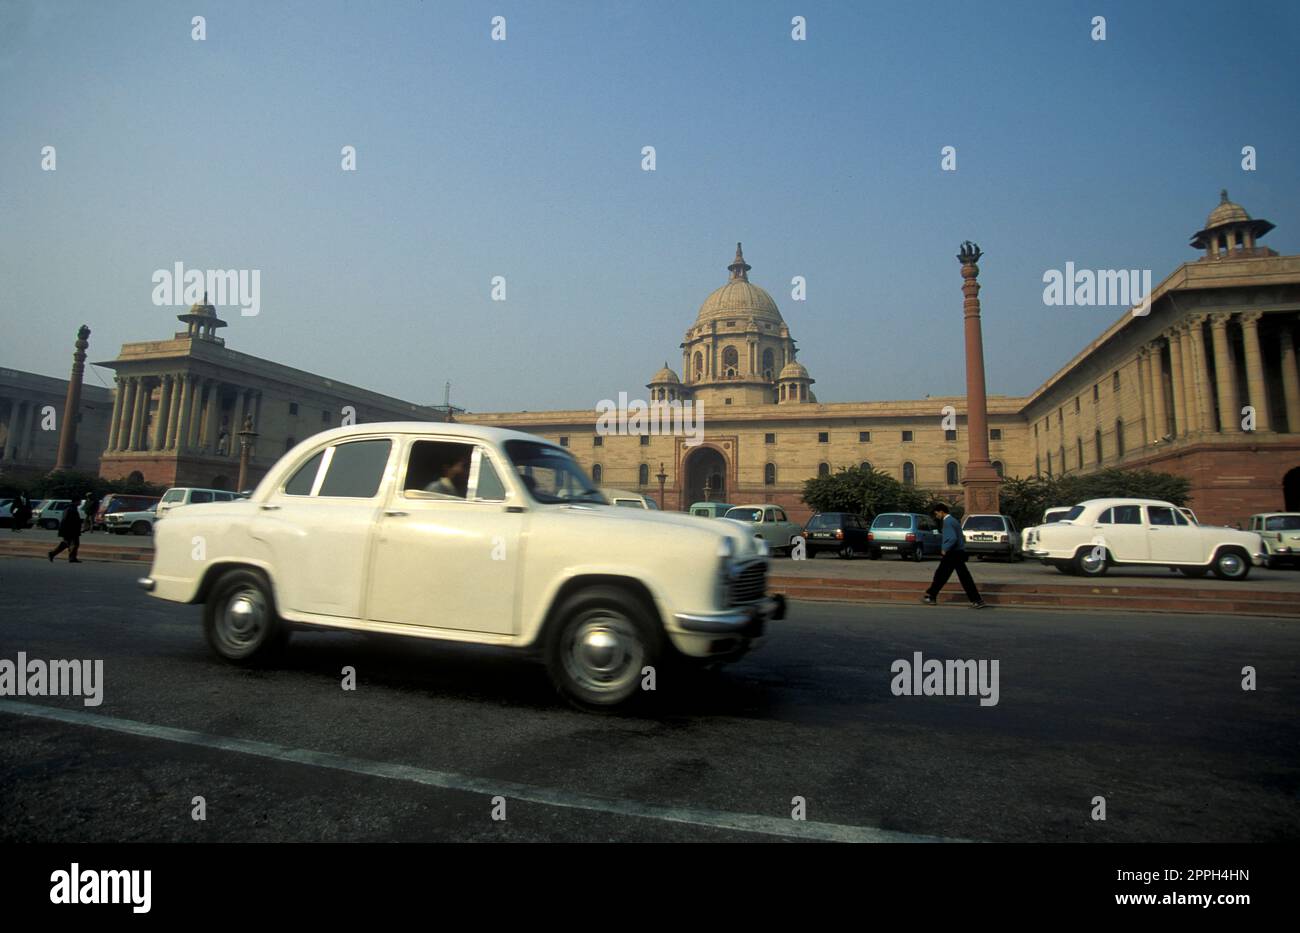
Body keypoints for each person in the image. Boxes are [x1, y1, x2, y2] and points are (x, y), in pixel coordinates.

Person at [922, 502, 986, 609]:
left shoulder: (947, 522)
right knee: (961, 576)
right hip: (958, 552)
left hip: (952, 553)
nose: (936, 516)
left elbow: (952, 538)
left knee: (941, 575)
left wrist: (944, 548)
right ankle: (977, 600)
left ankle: (931, 595)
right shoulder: (954, 521)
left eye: (936, 513)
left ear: (941, 512)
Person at [49, 495, 83, 563]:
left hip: (71, 529)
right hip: (70, 529)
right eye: (80, 501)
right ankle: (72, 558)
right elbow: (66, 520)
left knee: (67, 543)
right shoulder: (70, 508)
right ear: (76, 501)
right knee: (75, 543)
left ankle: (53, 553)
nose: (80, 503)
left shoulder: (72, 508)